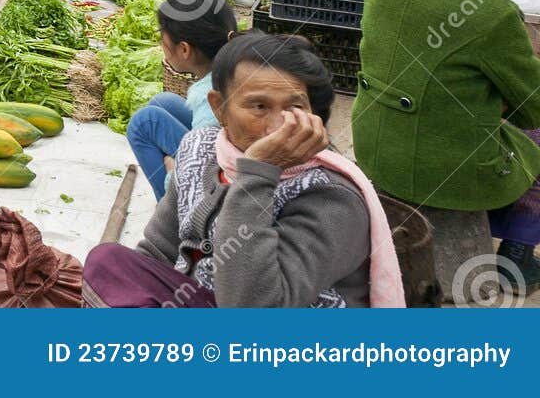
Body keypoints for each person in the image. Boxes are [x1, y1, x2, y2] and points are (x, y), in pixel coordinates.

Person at [84, 31, 404, 307]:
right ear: (218, 108)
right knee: (110, 263)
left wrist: (259, 172)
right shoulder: (201, 150)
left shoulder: (330, 196)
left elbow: (254, 309)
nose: (277, 126)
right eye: (259, 106)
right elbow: (157, 252)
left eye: (294, 107)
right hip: (198, 299)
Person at [353, 0, 540, 291]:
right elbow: (533, 106)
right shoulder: (493, 14)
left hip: (375, 147)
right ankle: (520, 254)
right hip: (449, 170)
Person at [124, 0, 236, 200]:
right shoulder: (233, 65)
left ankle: (169, 210)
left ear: (184, 50)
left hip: (214, 191)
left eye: (161, 36)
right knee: (163, 102)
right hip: (222, 154)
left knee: (143, 123)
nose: (160, 43)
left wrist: (170, 166)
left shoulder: (210, 98)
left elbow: (203, 174)